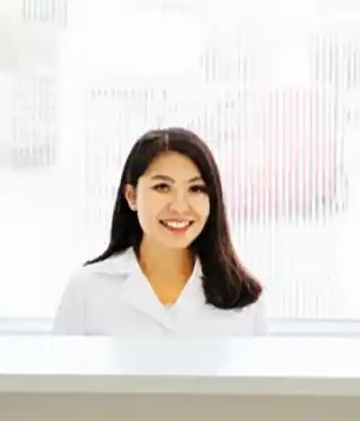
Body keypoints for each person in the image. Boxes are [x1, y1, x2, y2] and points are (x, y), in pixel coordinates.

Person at [52, 127, 267, 336]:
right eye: (162, 187)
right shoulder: (87, 290)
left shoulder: (245, 299)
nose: (180, 207)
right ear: (132, 196)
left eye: (196, 189)